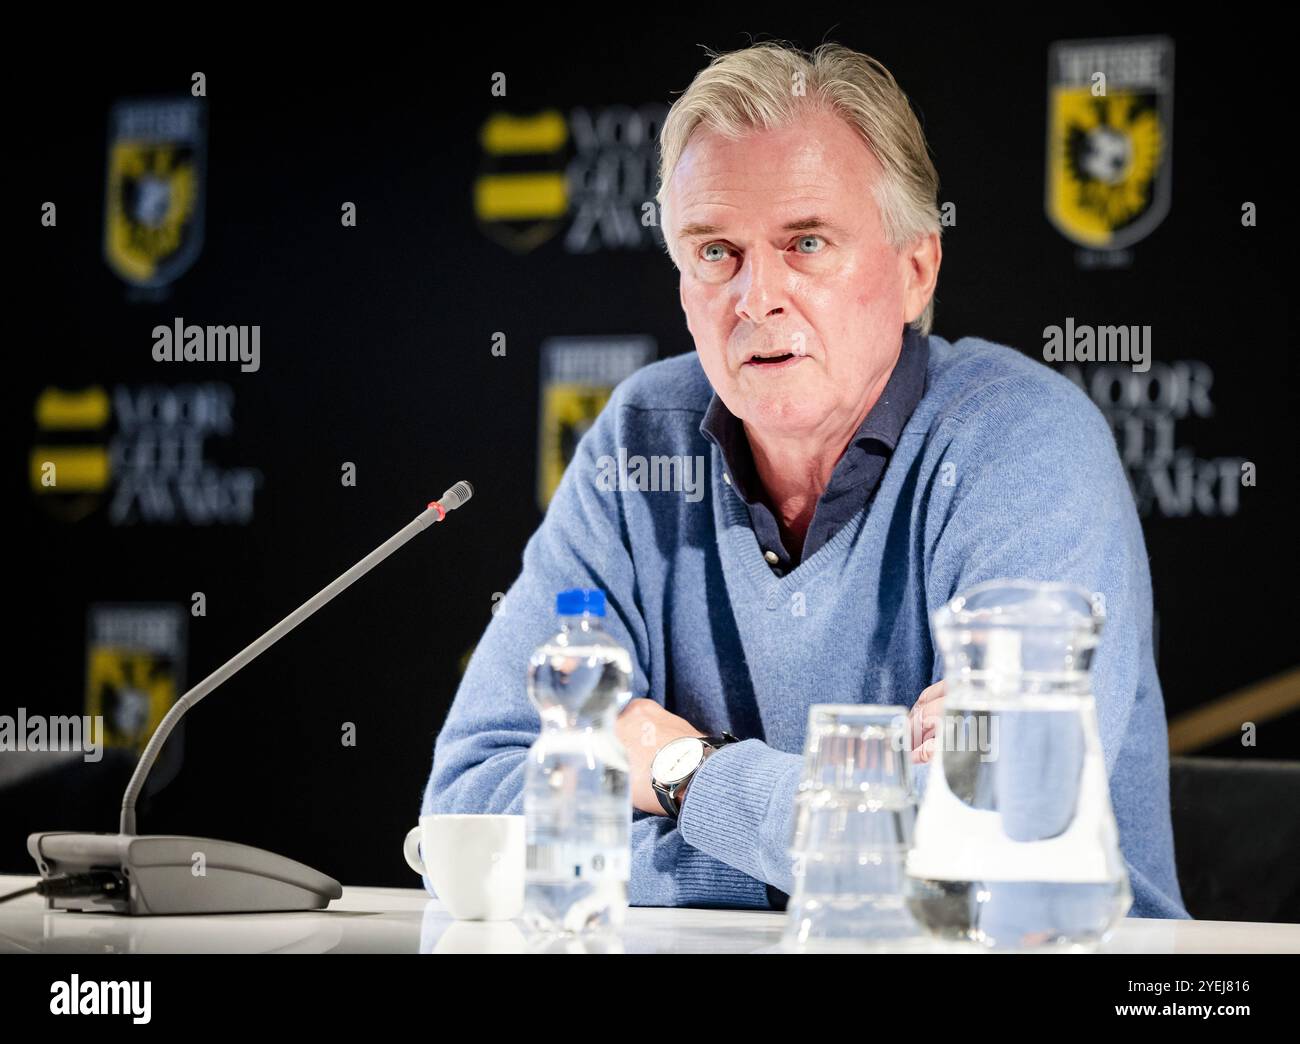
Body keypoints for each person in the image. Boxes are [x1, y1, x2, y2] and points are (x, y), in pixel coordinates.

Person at [421, 41, 1188, 918]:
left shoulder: (1021, 444)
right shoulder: (640, 442)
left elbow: (989, 851)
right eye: (716, 252)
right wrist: (851, 829)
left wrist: (683, 771)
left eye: (808, 243)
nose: (757, 298)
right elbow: (470, 809)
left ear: (915, 269)